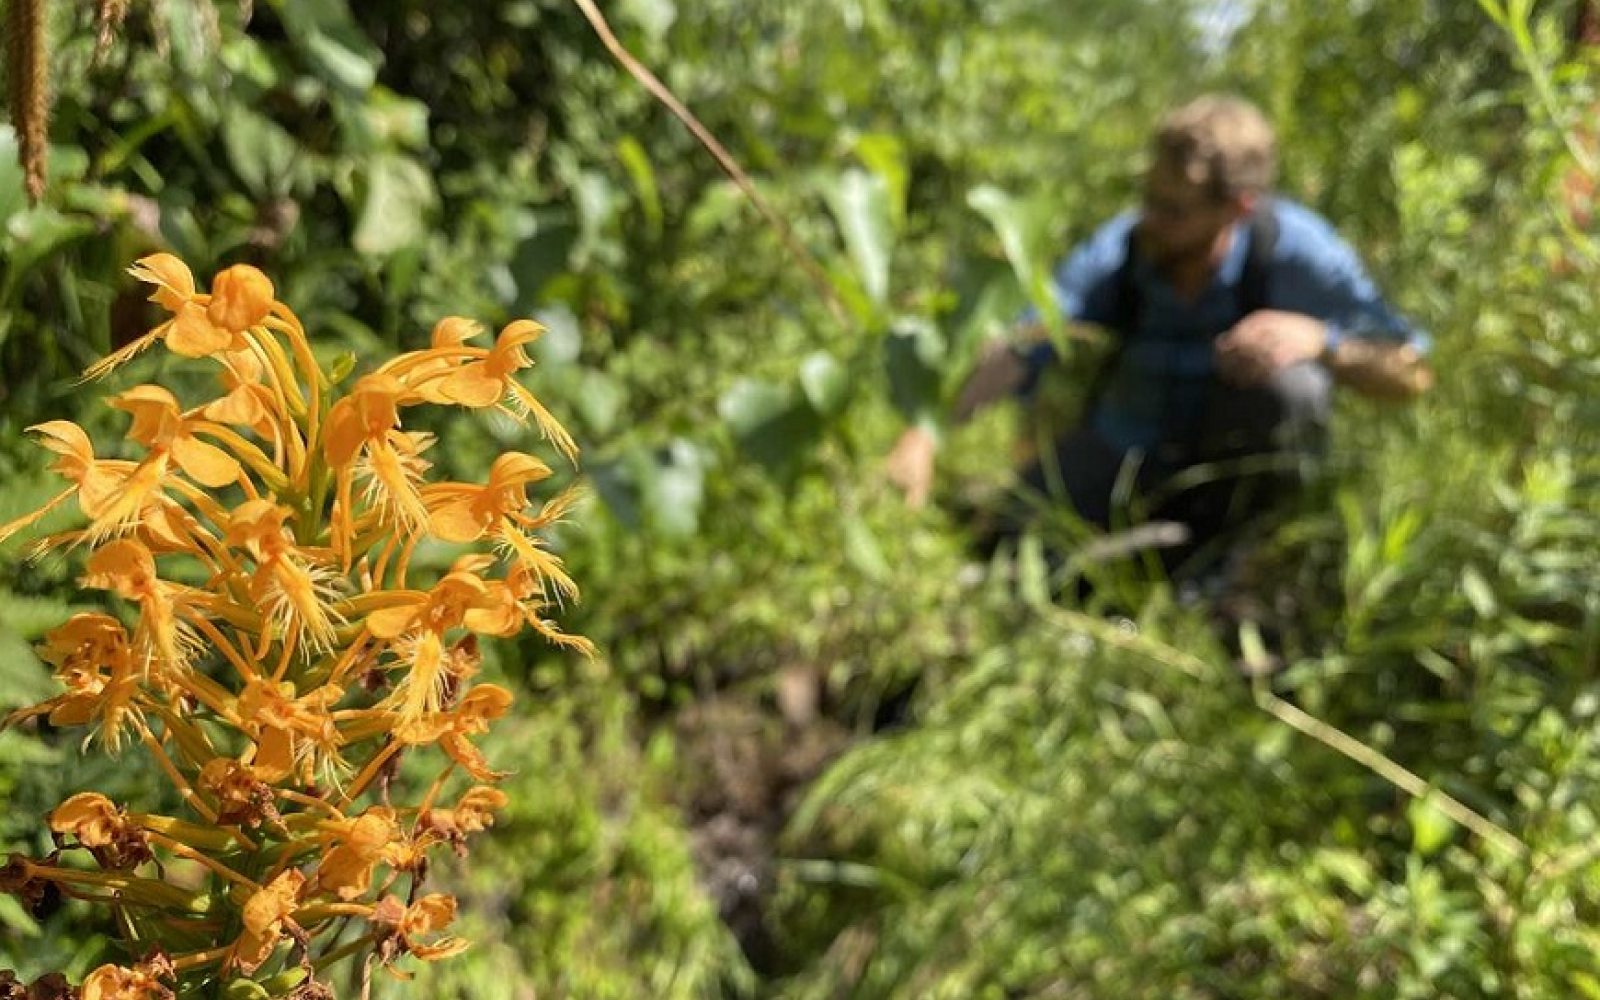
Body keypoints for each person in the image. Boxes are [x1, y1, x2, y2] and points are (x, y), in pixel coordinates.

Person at [887, 94, 1433, 568]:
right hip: (1123, 445)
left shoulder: (1296, 252)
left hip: (1227, 476)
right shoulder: (1123, 247)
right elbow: (1023, 342)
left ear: (1237, 209)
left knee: (1295, 390)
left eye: (1172, 210)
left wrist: (1323, 342)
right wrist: (926, 434)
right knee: (1003, 540)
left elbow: (1411, 371)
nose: (1150, 218)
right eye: (1147, 196)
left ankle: (1239, 570)